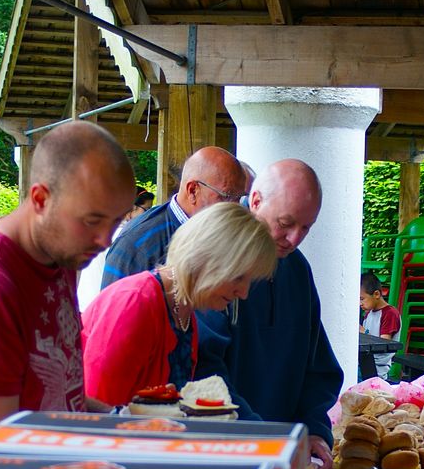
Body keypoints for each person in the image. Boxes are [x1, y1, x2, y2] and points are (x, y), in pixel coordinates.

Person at [0, 121, 136, 454]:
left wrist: (125, 419)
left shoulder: (60, 259)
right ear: (41, 199)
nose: (105, 240)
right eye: (91, 221)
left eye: (116, 221)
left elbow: (54, 399)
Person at [195, 159, 343, 469]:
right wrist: (265, 438)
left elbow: (317, 369)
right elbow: (204, 372)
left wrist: (313, 430)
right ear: (256, 201)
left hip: (282, 460)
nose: (293, 239)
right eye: (285, 223)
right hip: (224, 460)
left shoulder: (298, 270)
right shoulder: (219, 262)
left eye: (306, 228)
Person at [81, 202, 276, 407]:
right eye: (238, 277)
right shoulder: (135, 302)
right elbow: (98, 415)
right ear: (206, 259)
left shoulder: (183, 311)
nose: (243, 293)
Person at [101, 146, 247, 287]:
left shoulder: (231, 238)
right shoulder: (136, 243)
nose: (235, 208)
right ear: (193, 191)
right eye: (227, 197)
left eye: (239, 198)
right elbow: (113, 309)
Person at [77, 187, 154, 311]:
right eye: (147, 210)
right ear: (132, 209)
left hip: (86, 304)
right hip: (101, 307)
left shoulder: (103, 227)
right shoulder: (124, 236)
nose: (148, 215)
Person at [359, 272, 401, 379]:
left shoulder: (390, 313)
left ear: (376, 294)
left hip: (377, 368)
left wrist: (365, 332)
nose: (360, 303)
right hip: (363, 360)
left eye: (362, 299)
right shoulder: (369, 313)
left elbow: (383, 344)